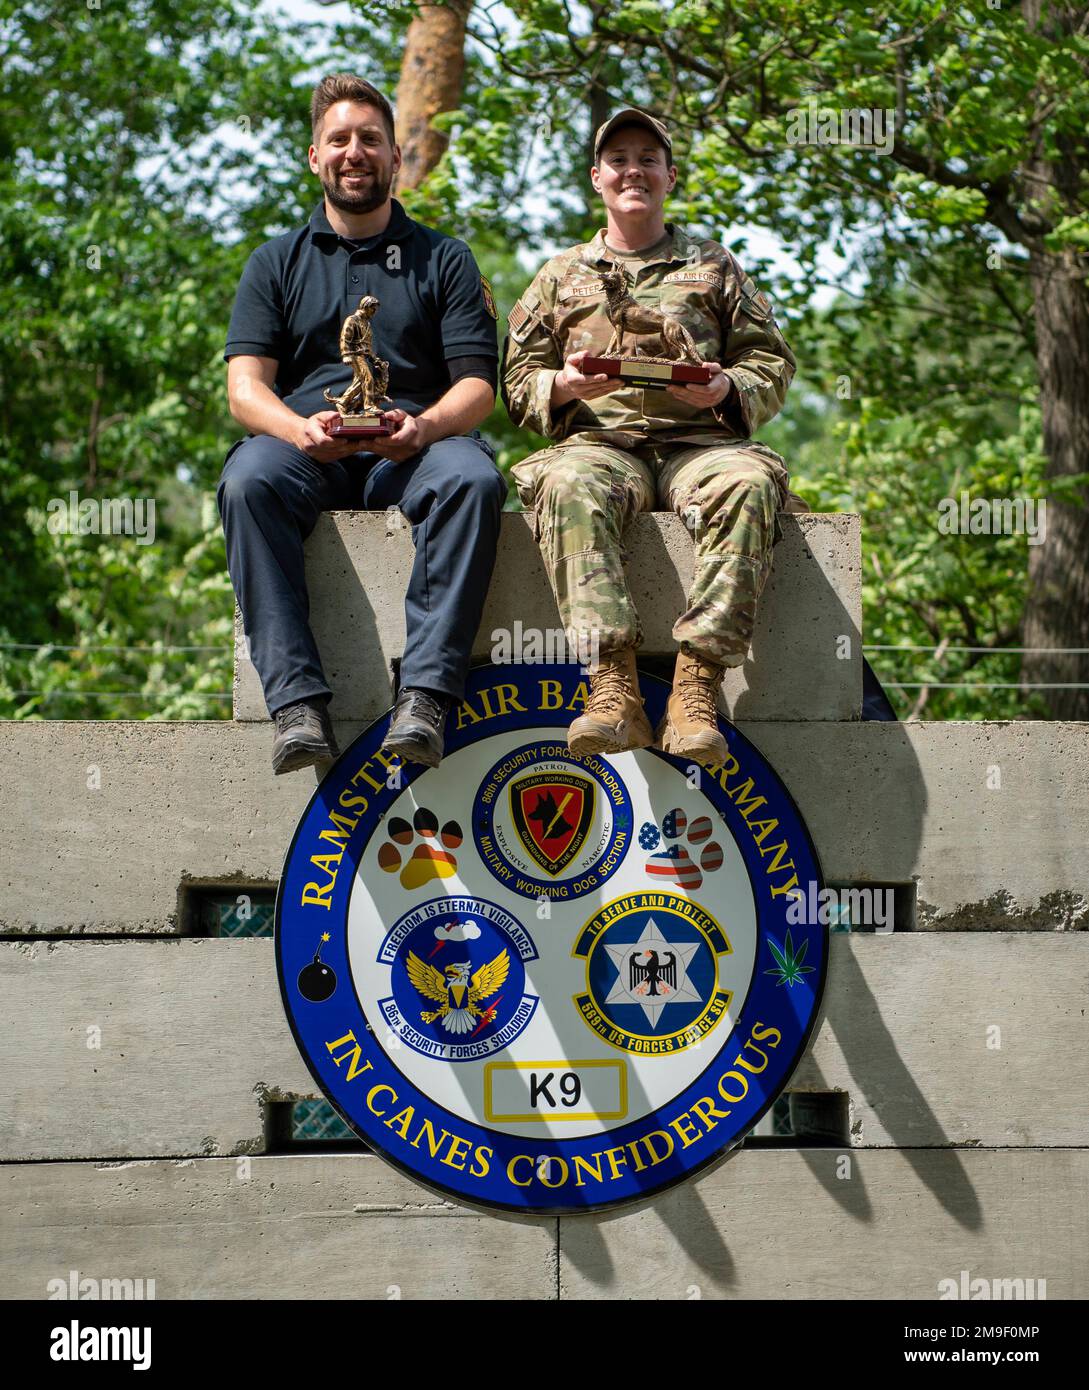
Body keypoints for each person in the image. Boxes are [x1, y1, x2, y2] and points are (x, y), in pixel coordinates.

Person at [219, 73, 505, 774]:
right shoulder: (273, 262)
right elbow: (244, 387)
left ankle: (427, 698)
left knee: (473, 476)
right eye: (338, 140)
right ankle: (295, 706)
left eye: (370, 139)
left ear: (395, 157)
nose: (355, 152)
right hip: (308, 451)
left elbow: (477, 385)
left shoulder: (446, 259)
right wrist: (294, 431)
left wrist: (426, 428)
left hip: (412, 451)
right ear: (314, 158)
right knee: (247, 479)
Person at [502, 108, 804, 764]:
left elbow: (771, 361)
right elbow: (516, 376)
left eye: (646, 158)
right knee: (563, 480)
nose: (632, 170)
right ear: (596, 178)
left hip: (700, 447)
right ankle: (612, 689)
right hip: (600, 447)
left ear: (669, 175)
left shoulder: (713, 266)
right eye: (618, 159)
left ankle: (695, 686)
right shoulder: (561, 275)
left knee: (751, 482)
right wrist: (560, 386)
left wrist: (726, 388)